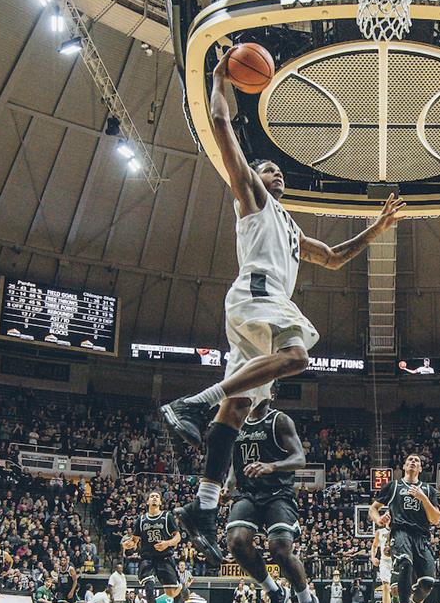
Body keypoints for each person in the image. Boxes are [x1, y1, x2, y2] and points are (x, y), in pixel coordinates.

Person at [158, 55, 405, 560]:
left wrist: (376, 229)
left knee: (240, 406)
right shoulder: (250, 197)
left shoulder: (290, 228)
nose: (277, 174)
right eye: (269, 167)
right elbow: (223, 125)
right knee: (298, 357)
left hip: (259, 308)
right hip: (258, 293)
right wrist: (219, 78)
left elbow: (334, 257)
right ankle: (190, 404)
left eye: (278, 171)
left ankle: (203, 506)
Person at [215, 397, 320, 603]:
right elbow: (235, 461)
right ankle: (275, 592)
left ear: (270, 393)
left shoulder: (279, 420)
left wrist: (271, 466)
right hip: (247, 493)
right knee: (236, 542)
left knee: (280, 550)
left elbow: (299, 459)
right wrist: (228, 485)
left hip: (277, 493)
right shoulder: (237, 423)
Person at [374, 454, 440, 603]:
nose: (413, 462)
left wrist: (423, 499)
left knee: (427, 583)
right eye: (410, 460)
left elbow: (436, 519)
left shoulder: (428, 490)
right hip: (400, 532)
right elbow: (373, 509)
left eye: (417, 461)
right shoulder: (394, 486)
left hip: (421, 536)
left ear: (420, 469)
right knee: (405, 563)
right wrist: (379, 518)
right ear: (404, 466)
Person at [132, 489, 189, 603]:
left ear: (160, 501)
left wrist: (167, 543)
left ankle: (181, 586)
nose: (154, 498)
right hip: (148, 558)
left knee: (170, 593)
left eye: (157, 497)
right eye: (152, 496)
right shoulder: (141, 520)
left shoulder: (166, 516)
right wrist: (129, 544)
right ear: (147, 501)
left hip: (164, 557)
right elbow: (134, 540)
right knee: (149, 586)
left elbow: (178, 537)